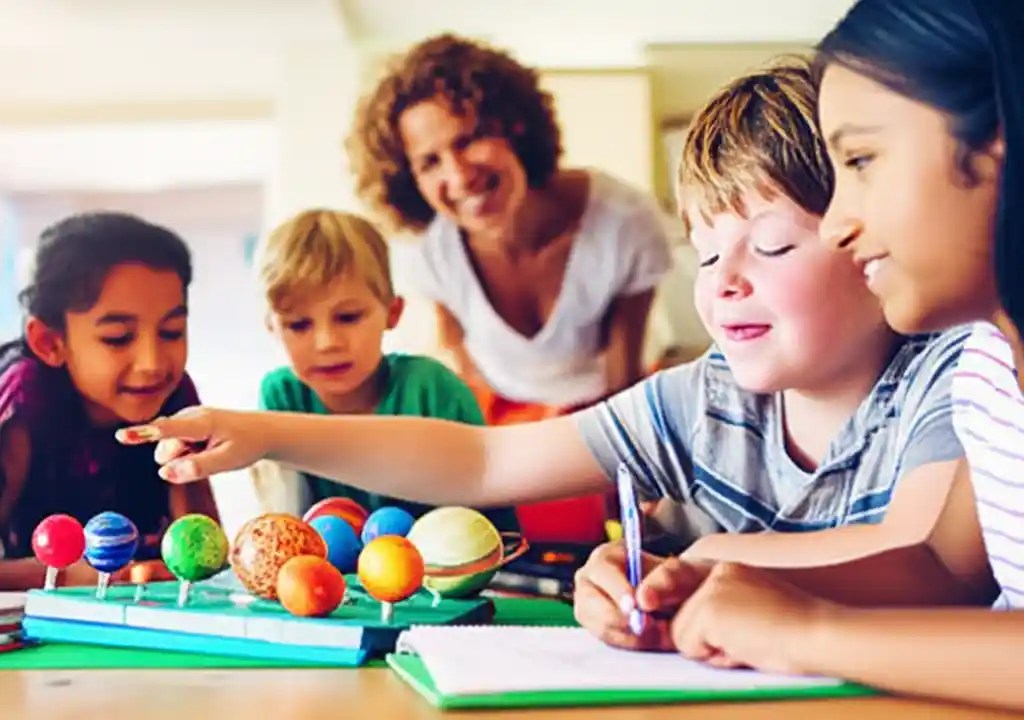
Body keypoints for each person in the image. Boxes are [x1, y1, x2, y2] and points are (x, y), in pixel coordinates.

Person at [117, 59, 967, 582]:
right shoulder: (702, 401)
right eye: (707, 257)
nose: (725, 285)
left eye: (771, 246)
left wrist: (700, 563)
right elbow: (482, 456)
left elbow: (926, 558)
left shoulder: (956, 375)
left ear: (868, 236)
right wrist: (264, 432)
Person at [571, 0, 1024, 711]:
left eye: (862, 161)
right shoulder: (989, 373)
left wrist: (809, 632)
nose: (839, 223)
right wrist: (707, 582)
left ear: (1000, 140)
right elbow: (944, 570)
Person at [347, 33, 674, 543]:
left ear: (515, 126)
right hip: (501, 417)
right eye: (430, 162)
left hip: (603, 408)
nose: (459, 175)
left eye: (468, 139)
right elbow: (459, 362)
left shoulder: (624, 222)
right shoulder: (428, 252)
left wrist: (632, 479)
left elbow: (622, 377)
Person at [0, 212, 218, 591]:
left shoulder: (175, 401)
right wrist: (74, 576)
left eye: (172, 332)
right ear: (49, 342)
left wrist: (171, 570)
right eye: (118, 338)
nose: (153, 363)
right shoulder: (25, 408)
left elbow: (205, 554)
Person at [253, 208, 517, 530]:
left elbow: (496, 519)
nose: (327, 343)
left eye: (348, 317)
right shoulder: (281, 398)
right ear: (272, 328)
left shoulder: (434, 391)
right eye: (298, 325)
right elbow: (286, 523)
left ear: (392, 312)